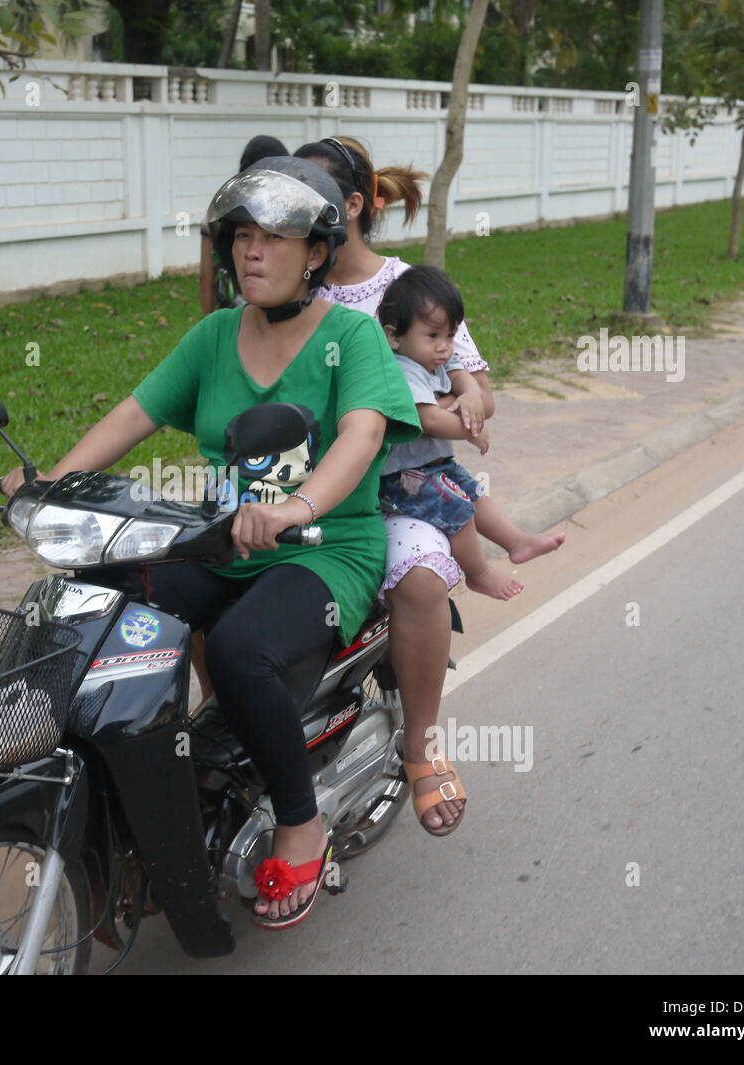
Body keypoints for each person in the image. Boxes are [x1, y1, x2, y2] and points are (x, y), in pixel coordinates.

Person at [1, 157, 420, 927]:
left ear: (316, 253)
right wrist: (48, 482)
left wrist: (296, 505)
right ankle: (146, 771)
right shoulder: (214, 335)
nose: (251, 251)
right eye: (241, 236)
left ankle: (301, 820)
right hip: (223, 539)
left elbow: (360, 438)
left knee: (236, 649)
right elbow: (133, 416)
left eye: (274, 237)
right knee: (109, 598)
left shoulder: (353, 337)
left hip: (327, 548)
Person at [295, 134, 491, 836]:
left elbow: (474, 384)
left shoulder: (404, 286)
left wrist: (464, 398)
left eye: (309, 198)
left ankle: (422, 742)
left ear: (350, 205)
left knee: (417, 578)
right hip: (294, 484)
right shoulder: (289, 283)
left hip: (394, 489)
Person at [376, 264, 564, 601]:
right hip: (401, 479)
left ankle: (516, 541)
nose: (444, 347)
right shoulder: (401, 371)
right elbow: (428, 419)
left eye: (450, 336)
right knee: (458, 509)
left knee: (474, 493)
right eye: (432, 335)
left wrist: (471, 395)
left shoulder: (433, 359)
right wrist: (470, 428)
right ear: (394, 336)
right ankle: (479, 573)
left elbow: (460, 372)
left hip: (432, 466)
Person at [198, 135, 288, 315]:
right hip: (273, 317)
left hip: (229, 313)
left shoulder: (217, 217)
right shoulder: (287, 218)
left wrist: (208, 320)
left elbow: (206, 277)